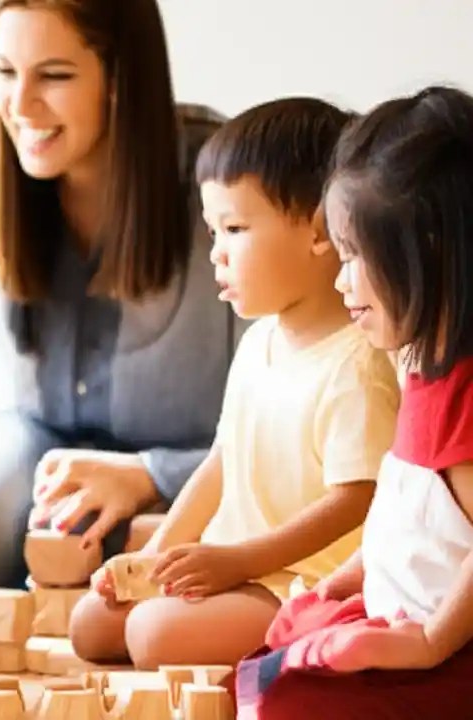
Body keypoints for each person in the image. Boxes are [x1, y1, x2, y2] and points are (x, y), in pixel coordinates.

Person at [0, 0, 236, 588]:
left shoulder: (219, 185)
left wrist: (150, 476)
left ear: (121, 79)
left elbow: (281, 419)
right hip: (35, 453)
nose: (21, 104)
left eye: (54, 75)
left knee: (196, 526)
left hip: (193, 466)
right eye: (5, 72)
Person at [66, 97, 399, 669]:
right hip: (233, 563)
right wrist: (156, 554)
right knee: (91, 626)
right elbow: (221, 463)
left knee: (152, 636)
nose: (215, 252)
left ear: (321, 230)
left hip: (296, 580)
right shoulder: (258, 343)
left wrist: (241, 562)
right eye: (212, 229)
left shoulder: (358, 364)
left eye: (235, 228)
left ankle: (309, 639)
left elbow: (358, 498)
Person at [234, 86, 473, 720]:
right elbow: (412, 516)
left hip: (454, 645)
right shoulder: (416, 368)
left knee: (297, 698)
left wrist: (428, 643)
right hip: (407, 614)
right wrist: (351, 580)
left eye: (353, 258)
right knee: (274, 659)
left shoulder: (466, 401)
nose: (340, 280)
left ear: (426, 249)